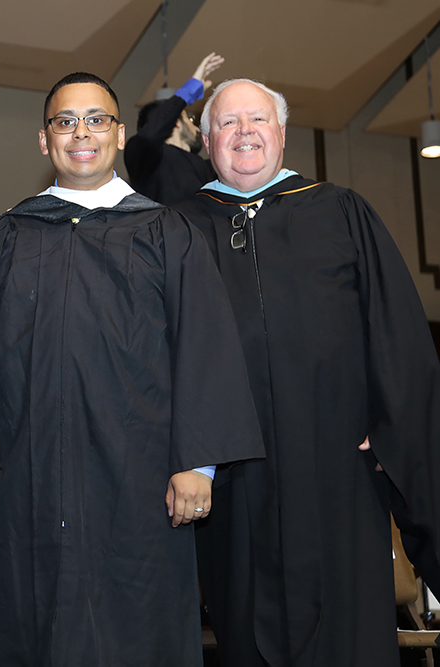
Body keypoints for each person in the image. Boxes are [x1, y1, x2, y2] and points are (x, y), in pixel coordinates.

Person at [0, 72, 264, 666]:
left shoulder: (166, 231)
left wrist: (198, 463)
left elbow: (204, 346)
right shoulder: (5, 237)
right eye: (65, 121)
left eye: (96, 119)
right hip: (25, 478)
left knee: (134, 628)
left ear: (120, 134)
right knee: (32, 622)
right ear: (44, 140)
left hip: (140, 477)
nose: (82, 133)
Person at [176, 78, 440, 667]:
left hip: (337, 467)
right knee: (243, 631)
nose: (244, 131)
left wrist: (388, 423)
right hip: (232, 477)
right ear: (207, 141)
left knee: (348, 635)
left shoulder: (342, 211)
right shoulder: (177, 229)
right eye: (227, 122)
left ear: (282, 133)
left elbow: (396, 332)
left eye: (258, 119)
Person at [124, 52, 224, 205]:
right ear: (176, 122)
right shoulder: (144, 156)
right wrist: (189, 91)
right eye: (189, 119)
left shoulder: (205, 167)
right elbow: (150, 135)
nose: (196, 128)